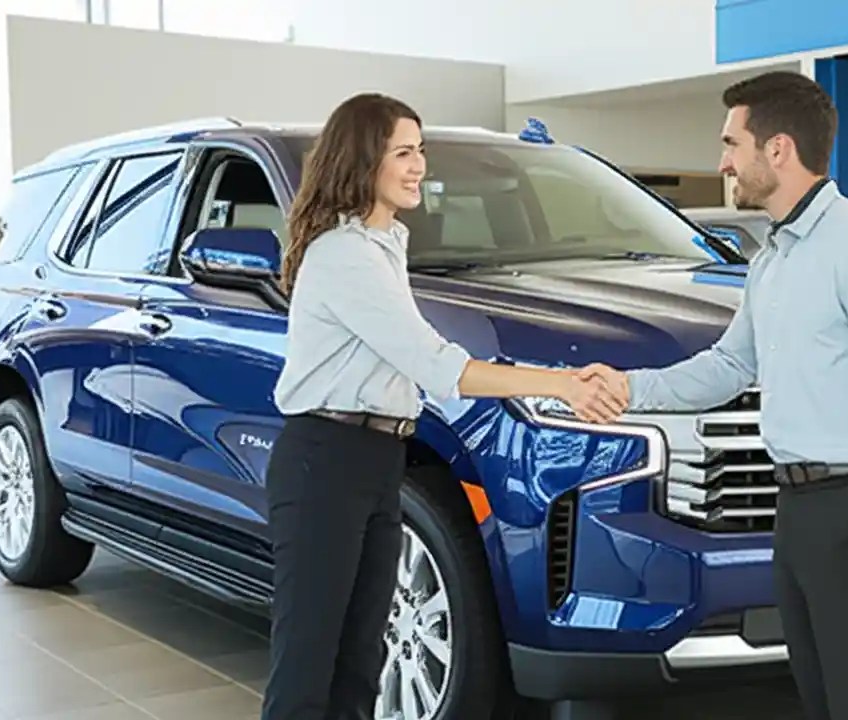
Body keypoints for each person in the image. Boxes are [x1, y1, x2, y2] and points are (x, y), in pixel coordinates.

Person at [581, 71, 848, 720]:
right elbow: (726, 366)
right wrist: (626, 389)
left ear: (777, 149)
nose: (723, 162)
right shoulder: (773, 259)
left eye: (732, 144)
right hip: (797, 510)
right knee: (821, 697)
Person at [261, 92, 625, 720]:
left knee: (358, 663)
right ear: (363, 160)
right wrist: (561, 385)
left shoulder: (384, 247)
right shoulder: (346, 255)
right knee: (308, 665)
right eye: (402, 152)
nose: (418, 165)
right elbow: (438, 366)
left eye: (420, 150)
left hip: (375, 459)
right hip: (326, 461)